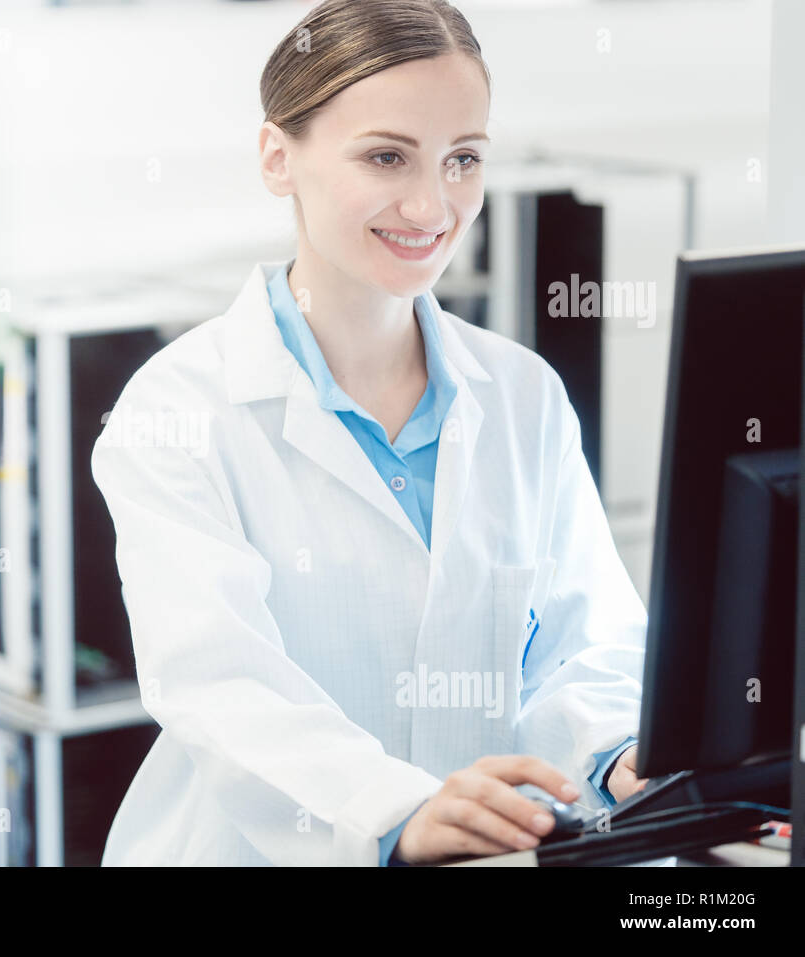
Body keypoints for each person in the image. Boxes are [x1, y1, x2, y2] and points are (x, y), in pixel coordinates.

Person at [91, 0, 647, 867]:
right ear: (280, 158)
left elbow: (591, 645)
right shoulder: (175, 413)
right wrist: (392, 811)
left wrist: (616, 754)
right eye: (387, 156)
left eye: (463, 159)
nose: (433, 204)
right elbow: (220, 684)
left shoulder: (521, 395)